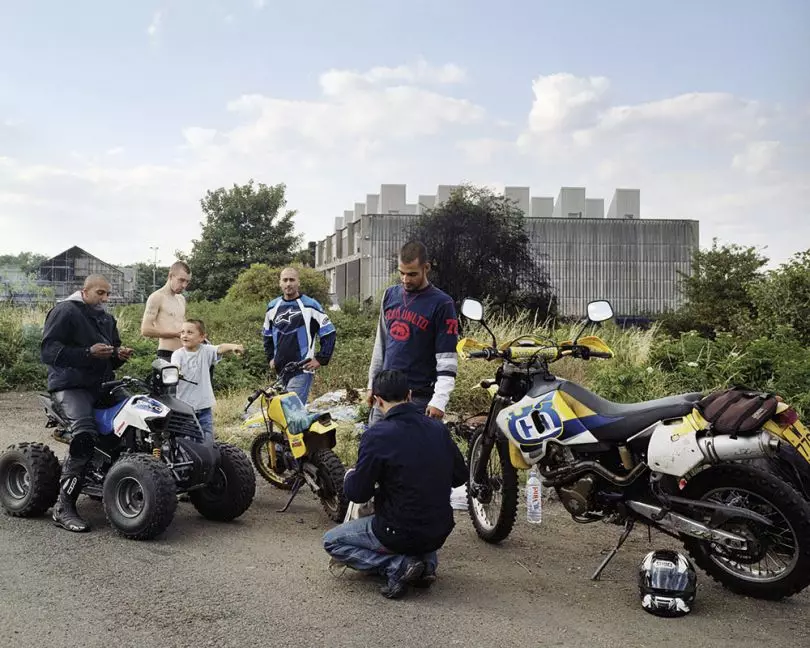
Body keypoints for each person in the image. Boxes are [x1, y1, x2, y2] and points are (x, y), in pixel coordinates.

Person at [323, 370, 467, 599]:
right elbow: (460, 477)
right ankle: (425, 565)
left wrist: (350, 476)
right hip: (439, 529)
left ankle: (397, 565)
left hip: (397, 530)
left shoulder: (377, 435)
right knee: (416, 535)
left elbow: (358, 493)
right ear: (409, 395)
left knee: (332, 542)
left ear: (377, 400)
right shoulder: (438, 429)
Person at [40, 274, 134, 532]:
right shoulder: (65, 311)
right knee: (84, 436)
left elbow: (110, 357)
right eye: (100, 293)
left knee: (138, 416)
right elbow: (48, 352)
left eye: (107, 294)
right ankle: (63, 506)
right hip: (70, 385)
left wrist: (118, 354)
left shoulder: (106, 318)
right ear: (84, 291)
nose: (105, 298)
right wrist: (87, 353)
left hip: (102, 385)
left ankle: (120, 478)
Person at [367, 241, 459, 425]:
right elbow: (381, 344)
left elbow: (447, 359)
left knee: (415, 452)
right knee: (376, 448)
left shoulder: (442, 304)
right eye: (402, 273)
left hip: (419, 398)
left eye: (412, 274)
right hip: (384, 395)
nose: (405, 279)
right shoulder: (390, 295)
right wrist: (371, 385)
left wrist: (439, 400)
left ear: (426, 268)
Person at [262, 267, 336, 404]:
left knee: (291, 410)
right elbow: (267, 336)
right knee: (282, 414)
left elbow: (329, 332)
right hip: (280, 371)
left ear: (298, 282)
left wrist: (321, 359)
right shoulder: (272, 306)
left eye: (292, 280)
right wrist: (270, 358)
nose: (288, 284)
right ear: (280, 283)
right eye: (285, 280)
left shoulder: (310, 305)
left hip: (302, 369)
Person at [170, 319, 243, 441]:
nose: (184, 335)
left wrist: (233, 347)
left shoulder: (206, 351)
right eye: (182, 332)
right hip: (184, 408)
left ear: (202, 337)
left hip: (204, 406)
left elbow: (220, 348)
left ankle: (207, 458)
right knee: (185, 441)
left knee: (207, 439)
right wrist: (176, 371)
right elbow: (175, 367)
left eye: (189, 332)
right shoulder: (178, 354)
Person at [140, 261, 192, 361]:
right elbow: (145, 330)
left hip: (184, 353)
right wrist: (175, 334)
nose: (184, 285)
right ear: (171, 276)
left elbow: (183, 326)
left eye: (187, 281)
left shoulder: (181, 299)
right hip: (167, 354)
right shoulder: (156, 297)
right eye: (181, 280)